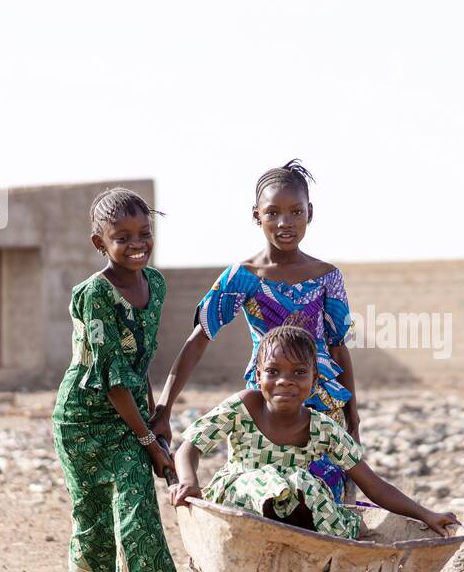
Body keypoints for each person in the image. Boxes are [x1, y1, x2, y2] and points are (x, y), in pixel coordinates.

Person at [149, 160, 359, 501]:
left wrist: (354, 420)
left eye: (295, 211)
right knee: (261, 492)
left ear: (310, 213)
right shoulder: (244, 277)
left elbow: (338, 347)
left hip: (321, 405)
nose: (285, 222)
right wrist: (164, 409)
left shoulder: (327, 277)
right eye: (273, 212)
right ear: (256, 215)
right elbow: (198, 340)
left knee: (321, 499)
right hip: (265, 406)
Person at [50, 187, 182, 572]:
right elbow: (110, 379)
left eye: (143, 233)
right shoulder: (93, 293)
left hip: (131, 419)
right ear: (99, 242)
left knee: (137, 523)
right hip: (84, 421)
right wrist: (150, 441)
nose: (136, 244)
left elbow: (140, 365)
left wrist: (155, 425)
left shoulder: (156, 284)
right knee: (92, 524)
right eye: (122, 237)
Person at [168, 325, 458, 542]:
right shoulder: (244, 405)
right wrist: (189, 482)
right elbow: (189, 447)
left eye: (298, 373)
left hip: (297, 505)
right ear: (258, 377)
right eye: (272, 371)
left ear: (314, 380)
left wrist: (426, 514)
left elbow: (373, 485)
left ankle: (303, 540)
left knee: (306, 482)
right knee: (266, 479)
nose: (284, 381)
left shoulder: (322, 428)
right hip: (240, 505)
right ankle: (285, 536)